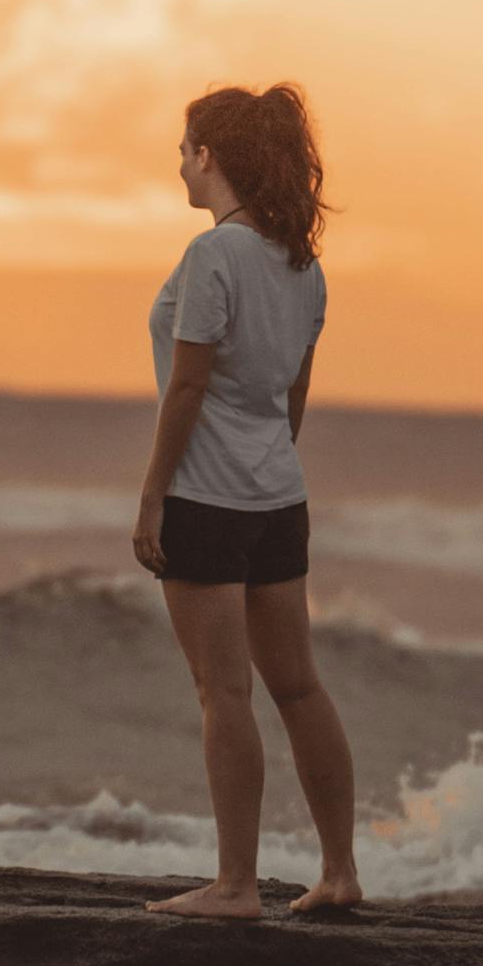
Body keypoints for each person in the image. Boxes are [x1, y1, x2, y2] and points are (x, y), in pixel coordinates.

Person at [132, 81, 362, 920]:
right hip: (277, 500)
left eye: (185, 146)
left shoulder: (214, 256)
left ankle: (235, 886)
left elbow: (187, 385)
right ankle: (339, 873)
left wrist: (154, 496)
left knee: (222, 693)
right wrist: (263, 467)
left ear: (210, 155)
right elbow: (293, 398)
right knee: (298, 688)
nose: (178, 162)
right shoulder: (302, 264)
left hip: (206, 495)